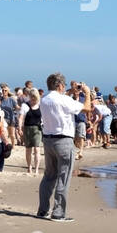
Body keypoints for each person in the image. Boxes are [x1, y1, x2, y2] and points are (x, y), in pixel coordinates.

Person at [37, 73, 94, 222]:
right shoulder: (64, 99)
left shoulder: (44, 99)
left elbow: (60, 101)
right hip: (63, 140)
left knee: (49, 176)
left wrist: (71, 91)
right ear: (60, 85)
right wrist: (87, 93)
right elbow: (87, 108)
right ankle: (58, 212)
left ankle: (43, 210)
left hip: (48, 140)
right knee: (63, 177)